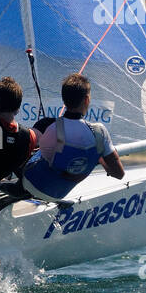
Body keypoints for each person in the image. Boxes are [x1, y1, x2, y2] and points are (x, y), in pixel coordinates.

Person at [21, 73, 124, 202]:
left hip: (32, 184)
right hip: (59, 194)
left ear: (64, 100)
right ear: (86, 99)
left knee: (35, 141)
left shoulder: (51, 127)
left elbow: (48, 160)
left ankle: (15, 186)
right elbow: (119, 174)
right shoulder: (100, 132)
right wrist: (98, 158)